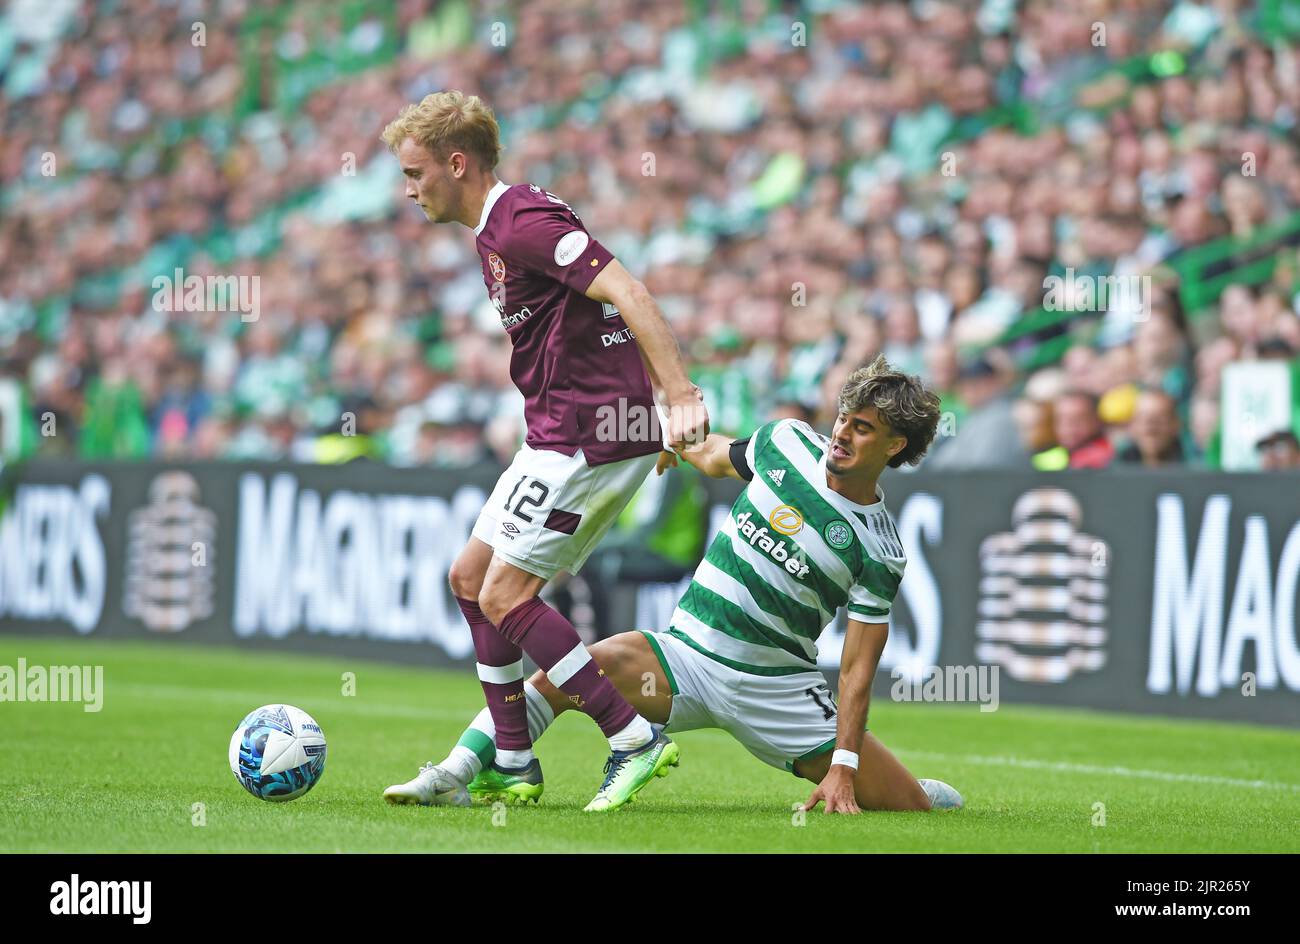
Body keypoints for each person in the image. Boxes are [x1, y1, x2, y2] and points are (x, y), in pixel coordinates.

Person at [416, 356, 962, 814]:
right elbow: (711, 454)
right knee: (557, 679)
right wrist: (667, 440)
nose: (842, 433)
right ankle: (452, 772)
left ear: (895, 447)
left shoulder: (880, 549)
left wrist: (844, 768)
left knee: (908, 808)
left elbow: (857, 669)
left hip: (777, 692)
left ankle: (917, 792)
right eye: (845, 418)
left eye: (863, 428)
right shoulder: (787, 444)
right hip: (685, 659)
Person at [379, 91, 708, 812]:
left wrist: (676, 396)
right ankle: (513, 759)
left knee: (505, 595)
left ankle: (632, 740)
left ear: (456, 163)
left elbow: (629, 290)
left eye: (415, 173)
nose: (408, 190)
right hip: (554, 433)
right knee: (469, 579)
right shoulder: (493, 231)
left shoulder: (522, 221)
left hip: (594, 435)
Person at [1114, 388, 1185, 467]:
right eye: (1142, 418)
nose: (1150, 428)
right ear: (1132, 426)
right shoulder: (1116, 470)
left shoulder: (1193, 467)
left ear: (1176, 424)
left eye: (1159, 419)